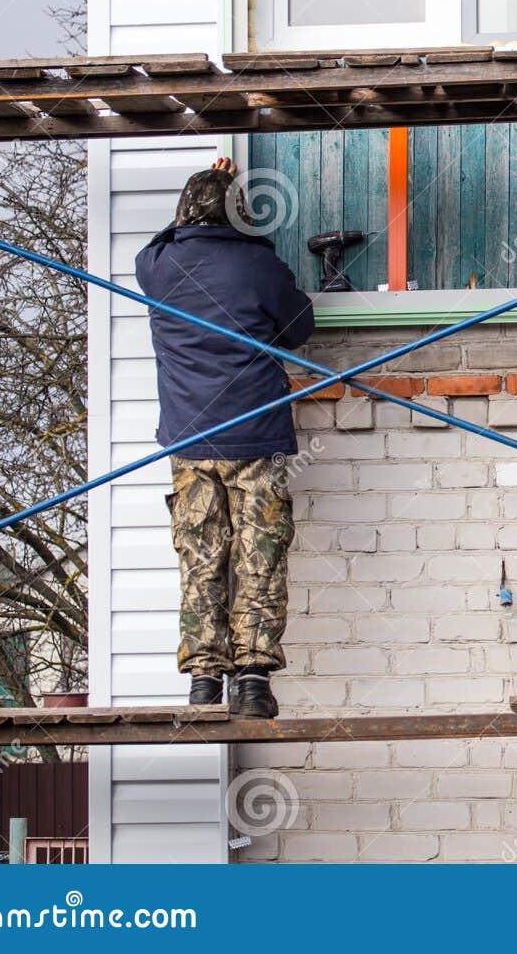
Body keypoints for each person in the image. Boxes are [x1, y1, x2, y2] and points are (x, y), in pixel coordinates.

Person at [134, 158, 314, 717]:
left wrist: (195, 201)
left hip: (189, 440)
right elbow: (300, 325)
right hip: (255, 433)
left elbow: (160, 240)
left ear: (186, 214)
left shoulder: (159, 267)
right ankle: (254, 683)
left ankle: (204, 683)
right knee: (259, 555)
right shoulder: (259, 266)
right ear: (240, 214)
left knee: (201, 557)